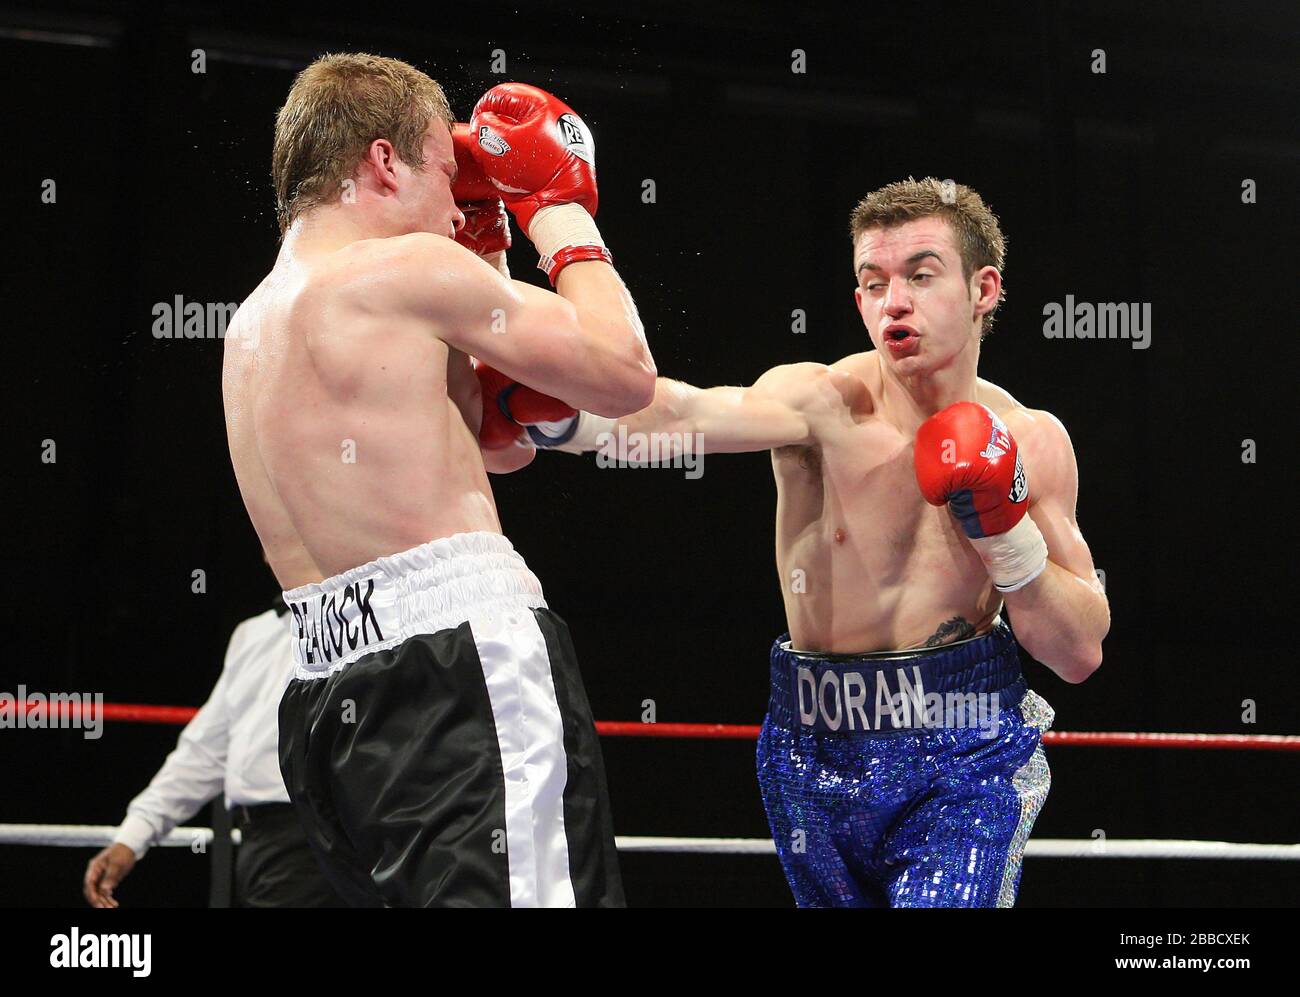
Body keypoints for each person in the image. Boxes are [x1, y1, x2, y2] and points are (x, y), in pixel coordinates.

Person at [518, 177, 1110, 907]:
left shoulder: (1033, 441)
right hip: (810, 744)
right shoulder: (820, 404)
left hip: (964, 753)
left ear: (983, 288)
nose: (893, 300)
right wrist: (557, 421)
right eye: (872, 282)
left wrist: (1005, 533)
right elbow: (683, 415)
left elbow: (1079, 652)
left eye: (921, 276)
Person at [222, 53, 655, 907]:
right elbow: (624, 370)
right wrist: (556, 210)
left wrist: (487, 253)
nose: (459, 206)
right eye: (451, 176)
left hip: (325, 698)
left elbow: (497, 444)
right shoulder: (405, 271)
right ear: (385, 161)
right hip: (461, 663)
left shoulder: (248, 330)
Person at [84, 600, 346, 908]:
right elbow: (206, 751)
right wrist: (133, 836)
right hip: (258, 842)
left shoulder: (360, 622)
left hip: (317, 835)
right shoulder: (253, 633)